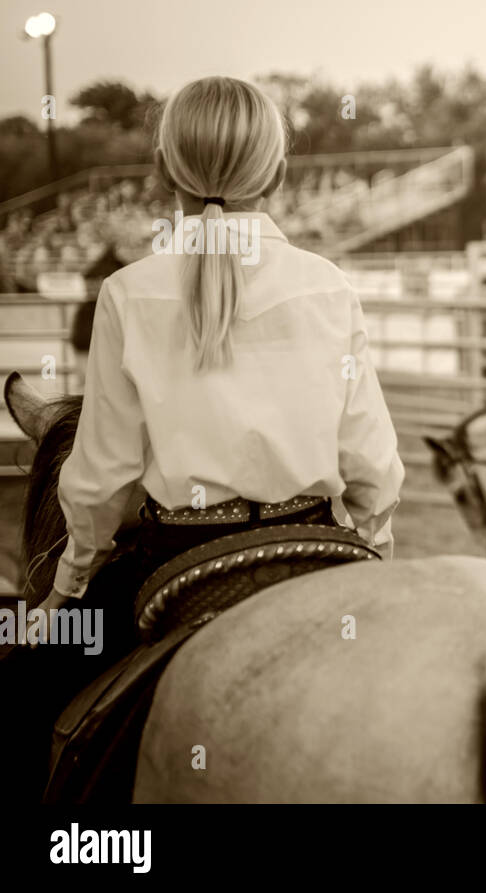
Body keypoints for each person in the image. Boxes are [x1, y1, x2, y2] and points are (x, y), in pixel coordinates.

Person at [30, 76, 405, 622]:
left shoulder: (127, 293)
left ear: (161, 171)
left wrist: (72, 578)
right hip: (317, 545)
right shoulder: (328, 286)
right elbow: (371, 461)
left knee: (41, 684)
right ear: (277, 175)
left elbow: (103, 474)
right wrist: (377, 548)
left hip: (182, 556)